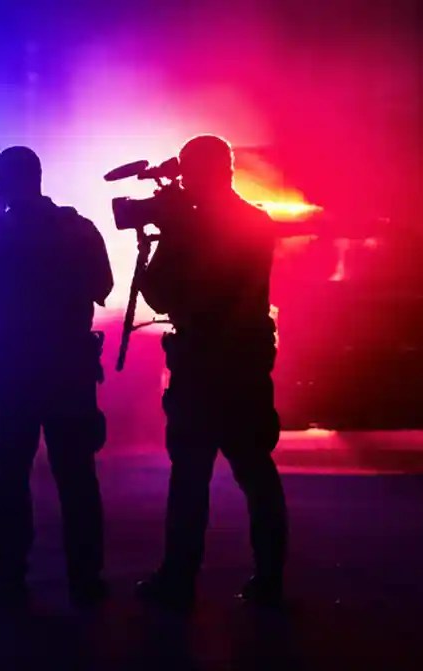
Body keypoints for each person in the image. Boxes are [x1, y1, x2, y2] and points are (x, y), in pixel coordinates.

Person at [135, 134, 288, 610]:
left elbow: (159, 295)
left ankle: (179, 577)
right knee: (256, 471)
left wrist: (167, 237)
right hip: (243, 362)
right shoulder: (256, 223)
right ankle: (269, 578)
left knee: (190, 475)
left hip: (203, 362)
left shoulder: (194, 228)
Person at [0, 146, 114, 608]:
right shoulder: (78, 228)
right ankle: (86, 577)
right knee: (77, 475)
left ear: (3, 184)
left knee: (9, 474)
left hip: (16, 364)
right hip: (69, 362)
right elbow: (103, 286)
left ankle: (10, 574)